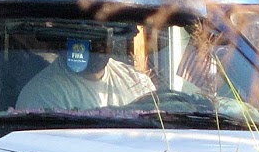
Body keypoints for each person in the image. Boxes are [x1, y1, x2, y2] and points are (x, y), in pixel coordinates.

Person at [16, 29, 155, 111]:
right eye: (89, 42)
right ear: (65, 45)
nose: (99, 50)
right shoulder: (42, 93)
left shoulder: (136, 80)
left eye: (103, 41)